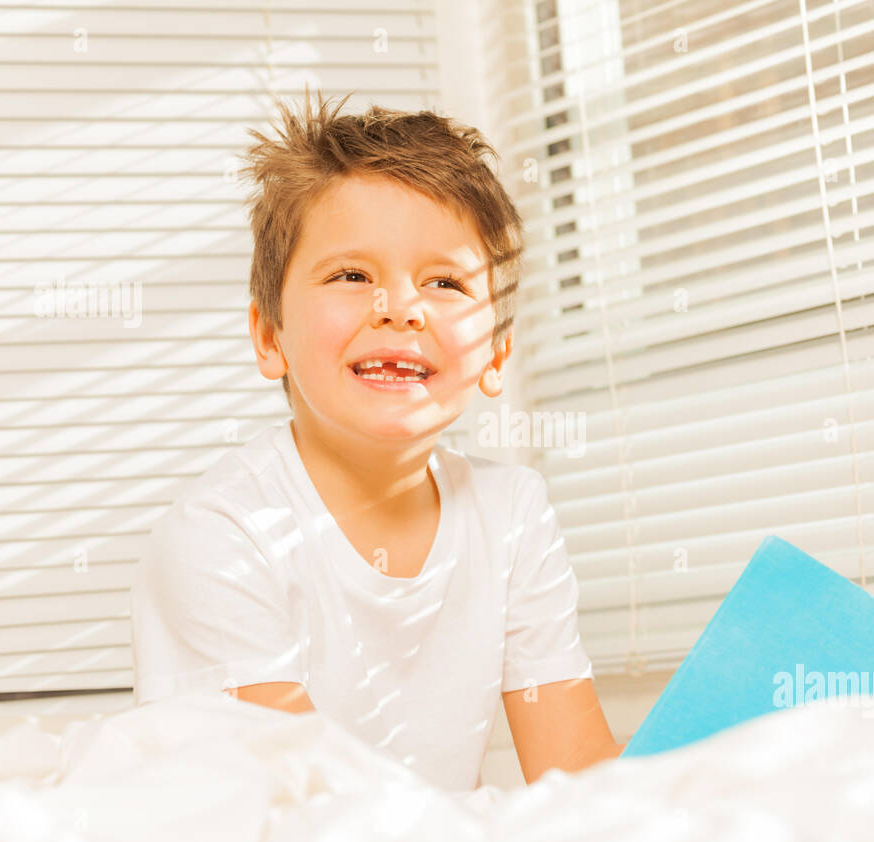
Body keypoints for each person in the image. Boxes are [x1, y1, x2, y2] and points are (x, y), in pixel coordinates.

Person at [129, 89, 624, 792]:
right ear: (270, 337)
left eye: (445, 281)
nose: (400, 308)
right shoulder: (222, 537)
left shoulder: (512, 512)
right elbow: (306, 810)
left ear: (495, 355)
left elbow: (578, 774)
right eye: (352, 276)